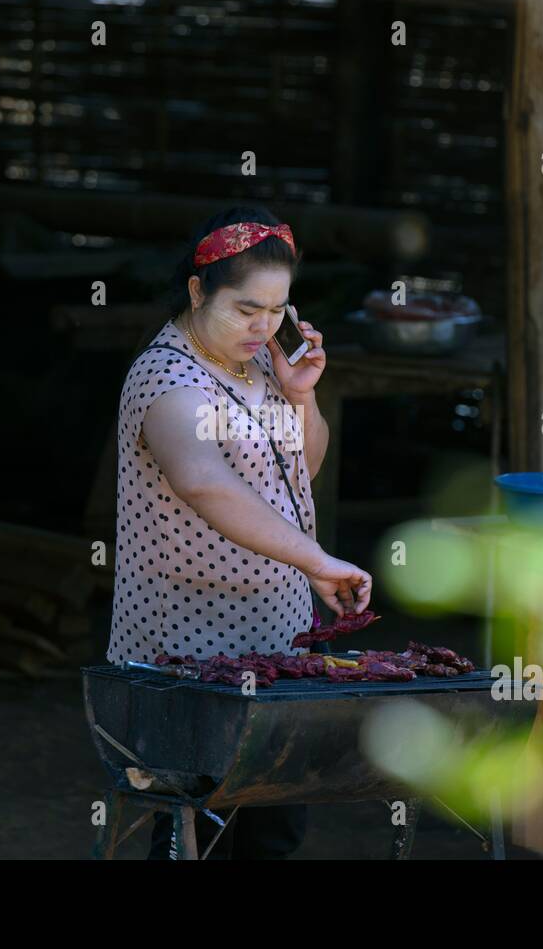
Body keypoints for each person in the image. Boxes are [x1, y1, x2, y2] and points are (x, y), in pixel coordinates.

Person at [106, 205, 373, 859]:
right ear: (198, 291)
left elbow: (302, 471)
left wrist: (303, 396)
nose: (264, 326)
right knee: (197, 837)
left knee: (272, 835)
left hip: (277, 644)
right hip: (189, 658)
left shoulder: (259, 369)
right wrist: (315, 559)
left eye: (278, 310)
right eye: (246, 308)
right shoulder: (170, 380)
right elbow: (205, 481)